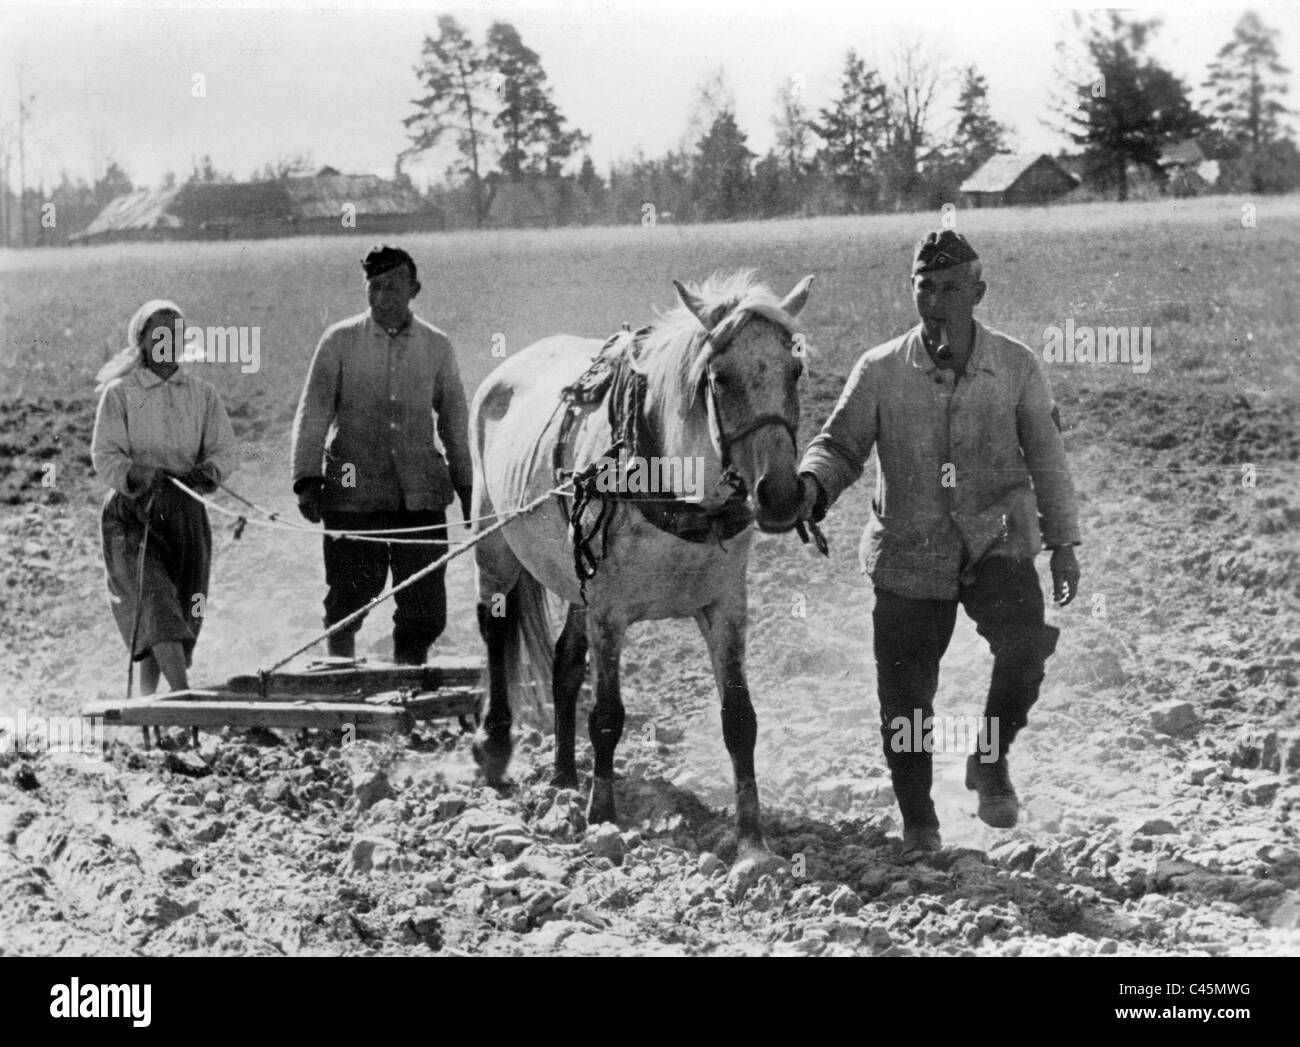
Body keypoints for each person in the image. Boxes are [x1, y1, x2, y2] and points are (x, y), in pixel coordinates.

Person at [797, 230, 1082, 852]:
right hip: (908, 552)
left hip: (996, 541)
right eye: (926, 287)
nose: (937, 301)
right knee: (905, 699)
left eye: (952, 288)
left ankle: (989, 759)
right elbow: (838, 446)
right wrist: (810, 491)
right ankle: (920, 823)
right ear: (914, 292)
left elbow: (1048, 458)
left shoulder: (1016, 365)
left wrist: (1063, 542)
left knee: (1025, 648)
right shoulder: (879, 370)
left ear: (978, 293)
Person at [291, 245, 472, 665]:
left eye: (392, 285)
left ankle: (406, 678)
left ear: (414, 289)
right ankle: (341, 673)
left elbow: (454, 426)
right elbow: (314, 413)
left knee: (424, 606)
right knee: (349, 596)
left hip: (419, 499)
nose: (381, 294)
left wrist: (466, 488)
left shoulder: (437, 346)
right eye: (373, 286)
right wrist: (307, 481)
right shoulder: (339, 342)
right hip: (354, 495)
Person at [92, 299, 237, 703]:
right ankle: (184, 700)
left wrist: (208, 471)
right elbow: (105, 456)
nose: (167, 343)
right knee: (154, 600)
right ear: (141, 341)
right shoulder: (120, 394)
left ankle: (148, 701)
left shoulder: (202, 395)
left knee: (184, 605)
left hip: (186, 511)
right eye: (158, 335)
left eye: (175, 335)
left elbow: (225, 451)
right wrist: (140, 474)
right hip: (134, 511)